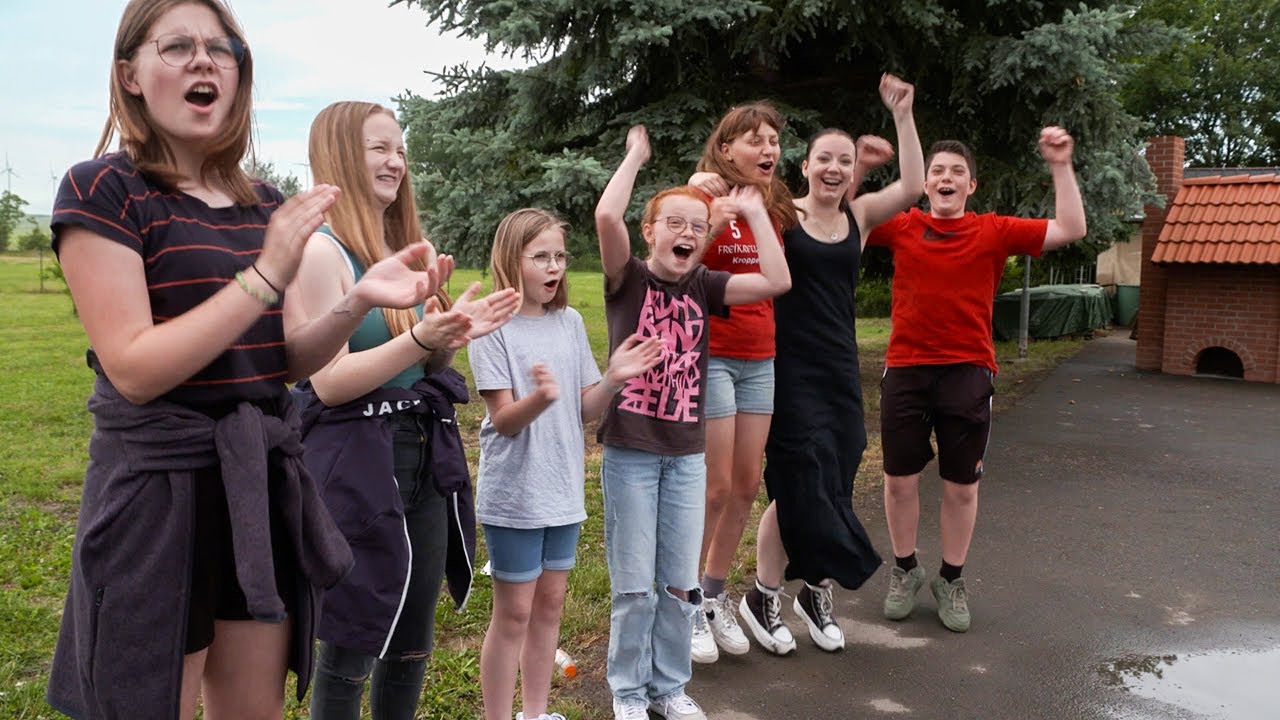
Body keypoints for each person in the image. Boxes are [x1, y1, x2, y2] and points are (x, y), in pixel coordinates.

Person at [45, 3, 445, 719]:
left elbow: (282, 363)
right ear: (129, 73)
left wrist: (354, 304)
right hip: (157, 493)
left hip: (257, 485)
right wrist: (263, 275)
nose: (204, 60)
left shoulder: (262, 203)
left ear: (238, 75)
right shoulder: (103, 189)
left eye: (221, 49)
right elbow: (134, 368)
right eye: (178, 47)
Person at [291, 101, 521, 720]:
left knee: (412, 643)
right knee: (354, 639)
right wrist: (422, 338)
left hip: (423, 453)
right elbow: (331, 381)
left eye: (400, 149)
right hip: (354, 462)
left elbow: (419, 367)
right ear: (339, 153)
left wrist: (447, 338)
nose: (396, 161)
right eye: (379, 148)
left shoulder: (404, 247)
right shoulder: (321, 253)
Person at [595, 125, 791, 720]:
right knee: (634, 585)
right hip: (630, 450)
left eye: (695, 226)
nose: (684, 233)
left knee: (680, 582)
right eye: (672, 223)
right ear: (650, 233)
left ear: (705, 239)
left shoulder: (704, 284)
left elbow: (778, 281)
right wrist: (636, 156)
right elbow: (607, 217)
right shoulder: (627, 278)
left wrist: (754, 214)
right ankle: (628, 693)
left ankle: (668, 687)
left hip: (684, 454)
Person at [868, 127, 1087, 633]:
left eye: (957, 172)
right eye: (938, 172)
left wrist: (1059, 164)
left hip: (968, 371)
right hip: (905, 368)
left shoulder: (994, 229)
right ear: (924, 184)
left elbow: (1071, 228)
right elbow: (837, 217)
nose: (946, 178)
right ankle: (905, 570)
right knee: (899, 479)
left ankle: (950, 578)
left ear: (972, 185)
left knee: (960, 485)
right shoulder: (901, 226)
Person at [740, 74, 924, 656]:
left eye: (844, 161)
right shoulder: (781, 213)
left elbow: (914, 184)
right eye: (825, 158)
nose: (835, 168)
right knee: (797, 485)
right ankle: (763, 596)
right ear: (807, 164)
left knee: (838, 481)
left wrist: (902, 113)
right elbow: (727, 187)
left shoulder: (861, 216)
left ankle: (815, 593)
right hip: (789, 371)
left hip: (841, 371)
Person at [468, 208, 664, 720]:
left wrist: (615, 376)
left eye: (559, 256)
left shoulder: (570, 322)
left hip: (562, 492)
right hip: (514, 495)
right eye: (541, 257)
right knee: (512, 614)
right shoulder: (492, 326)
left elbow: (584, 408)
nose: (554, 267)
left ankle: (535, 714)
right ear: (512, 261)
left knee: (549, 607)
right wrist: (541, 398)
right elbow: (506, 420)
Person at [685, 101, 798, 663]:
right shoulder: (701, 197)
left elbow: (783, 273)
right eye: (755, 140)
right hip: (715, 355)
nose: (769, 149)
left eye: (774, 140)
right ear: (725, 148)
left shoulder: (772, 207)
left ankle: (711, 596)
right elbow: (678, 263)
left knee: (748, 486)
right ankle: (681, 602)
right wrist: (703, 203)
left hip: (762, 356)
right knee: (715, 486)